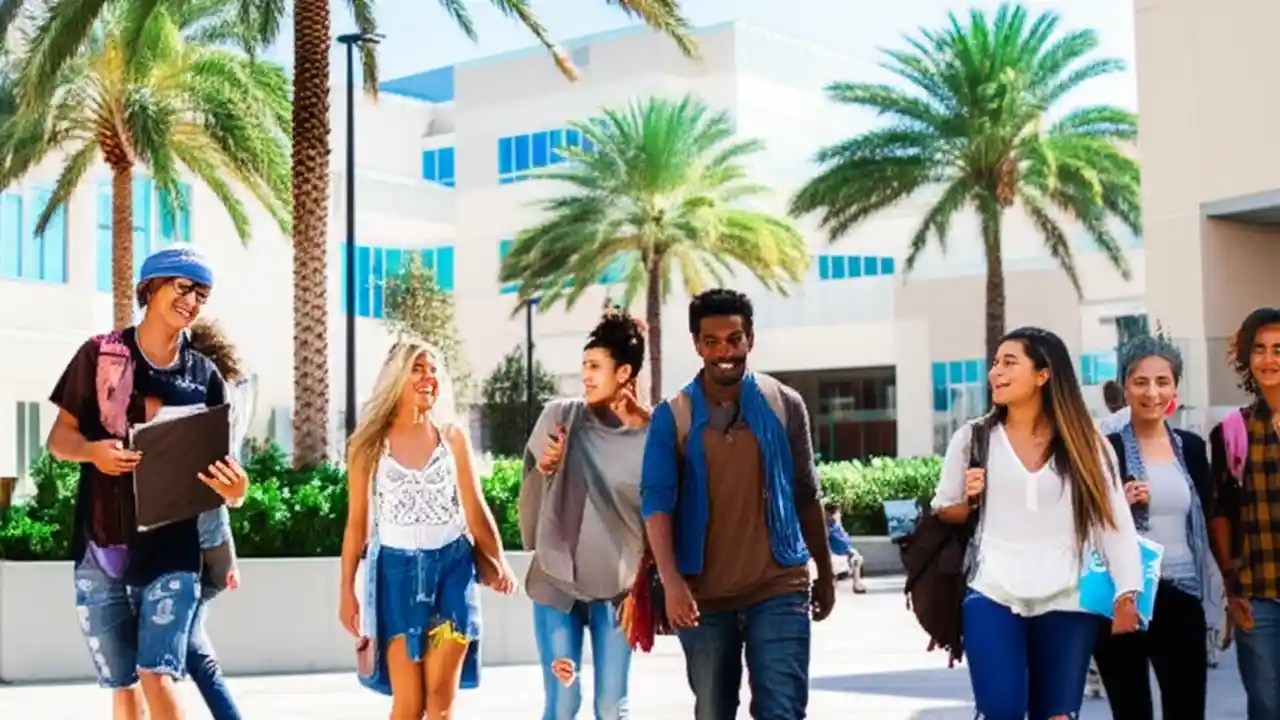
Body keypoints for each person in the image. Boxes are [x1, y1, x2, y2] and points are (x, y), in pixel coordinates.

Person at [46, 246, 250, 720]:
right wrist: (92, 451)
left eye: (202, 293)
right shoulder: (100, 356)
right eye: (183, 287)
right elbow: (60, 436)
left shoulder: (205, 376)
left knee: (158, 672)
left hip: (173, 552)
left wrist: (235, 492)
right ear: (150, 288)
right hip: (103, 547)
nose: (193, 300)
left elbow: (226, 469)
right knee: (123, 687)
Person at [640, 288, 835, 720]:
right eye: (712, 341)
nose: (724, 351)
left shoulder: (784, 404)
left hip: (779, 586)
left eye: (734, 338)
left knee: (782, 711)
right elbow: (656, 504)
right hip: (704, 596)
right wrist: (671, 582)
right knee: (713, 711)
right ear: (697, 345)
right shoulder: (673, 415)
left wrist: (824, 570)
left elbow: (806, 492)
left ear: (750, 339)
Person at [930, 326, 1142, 720]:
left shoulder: (1086, 442)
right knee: (1001, 710)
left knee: (1057, 714)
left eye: (1010, 363)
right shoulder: (973, 438)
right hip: (992, 587)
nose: (996, 372)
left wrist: (1127, 592)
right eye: (995, 363)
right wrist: (968, 499)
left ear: (1043, 374)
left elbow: (1113, 523)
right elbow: (944, 509)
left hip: (1068, 592)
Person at [339, 338, 518, 720]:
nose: (428, 377)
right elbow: (357, 525)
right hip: (396, 578)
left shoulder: (452, 438)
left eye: (433, 369)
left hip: (453, 573)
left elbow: (475, 507)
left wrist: (499, 560)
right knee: (408, 705)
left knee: (439, 704)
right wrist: (346, 591)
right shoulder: (368, 445)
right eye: (418, 368)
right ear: (396, 377)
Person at [519, 311, 651, 720]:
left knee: (612, 706)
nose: (586, 376)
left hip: (618, 593)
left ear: (624, 371)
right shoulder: (560, 417)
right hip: (558, 587)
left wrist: (645, 582)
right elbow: (528, 503)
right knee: (563, 701)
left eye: (595, 366)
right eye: (584, 365)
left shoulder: (654, 434)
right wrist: (545, 469)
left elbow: (661, 514)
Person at [1092, 335, 1217, 720]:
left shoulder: (1192, 448)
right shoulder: (1104, 449)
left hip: (1182, 593)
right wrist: (1118, 504)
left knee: (1187, 710)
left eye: (1162, 381)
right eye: (1140, 381)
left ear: (1175, 387)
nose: (1152, 392)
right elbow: (1080, 520)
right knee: (1132, 712)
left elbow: (1207, 521)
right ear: (1125, 387)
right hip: (1123, 598)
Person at [1208, 307, 1280, 720]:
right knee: (1267, 705)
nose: (1269, 359)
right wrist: (1232, 588)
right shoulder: (1232, 430)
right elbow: (1221, 511)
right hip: (1258, 593)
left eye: (1277, 350)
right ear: (1247, 358)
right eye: (1260, 349)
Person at [185, 318, 258, 720]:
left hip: (203, 553)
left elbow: (225, 487)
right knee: (182, 649)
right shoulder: (222, 406)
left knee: (190, 649)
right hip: (213, 553)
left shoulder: (211, 409)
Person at [823, 502, 866, 593]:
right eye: (831, 512)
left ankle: (857, 584)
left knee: (857, 558)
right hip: (835, 553)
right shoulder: (826, 527)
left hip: (846, 551)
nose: (834, 515)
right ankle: (831, 588)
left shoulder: (837, 525)